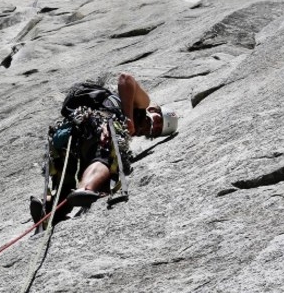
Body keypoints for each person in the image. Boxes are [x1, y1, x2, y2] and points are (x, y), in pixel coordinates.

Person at [31, 73, 178, 223]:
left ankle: (50, 208)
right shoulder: (142, 103)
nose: (150, 128)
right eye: (157, 121)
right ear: (153, 110)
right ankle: (86, 188)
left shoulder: (131, 128)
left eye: (154, 132)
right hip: (100, 122)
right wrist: (128, 117)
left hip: (74, 130)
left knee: (68, 172)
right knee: (108, 154)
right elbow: (125, 79)